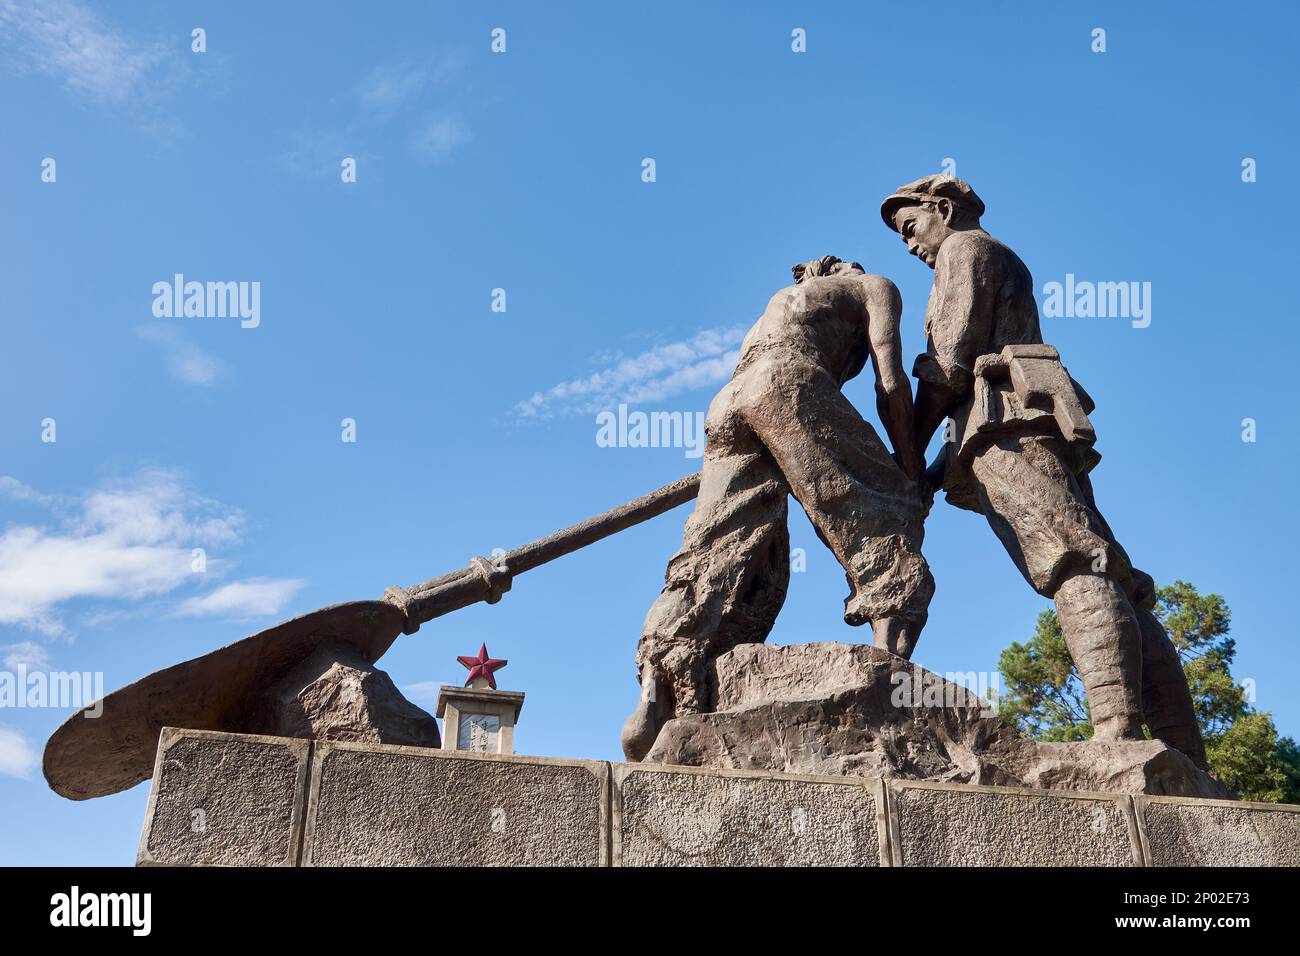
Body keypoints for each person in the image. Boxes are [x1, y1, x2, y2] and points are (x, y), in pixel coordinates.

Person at [880, 174, 1206, 766]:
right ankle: (1180, 750)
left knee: (1069, 557)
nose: (909, 246)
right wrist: (926, 473)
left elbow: (951, 366)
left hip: (1006, 427)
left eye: (910, 227)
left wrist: (905, 446)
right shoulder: (994, 255)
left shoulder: (965, 250)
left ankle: (1118, 728)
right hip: (1017, 426)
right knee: (1109, 569)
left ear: (943, 209)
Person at [622, 256, 933, 761]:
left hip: (730, 401)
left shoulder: (780, 304)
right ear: (848, 267)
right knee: (884, 511)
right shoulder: (874, 286)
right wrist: (909, 468)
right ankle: (888, 665)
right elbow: (891, 384)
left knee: (719, 547)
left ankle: (659, 681)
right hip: (792, 383)